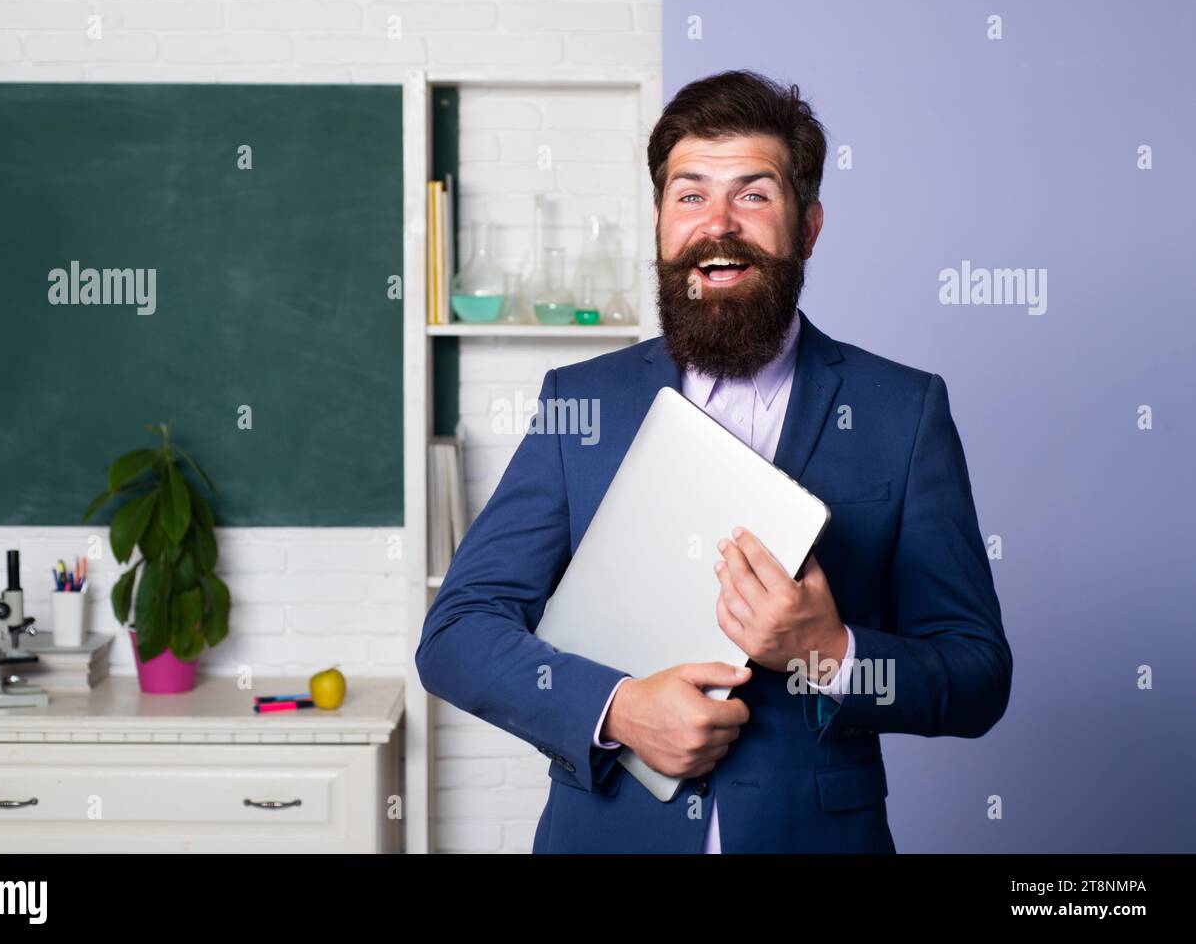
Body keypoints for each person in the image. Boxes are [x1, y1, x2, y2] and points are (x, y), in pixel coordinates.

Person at [415, 69, 1013, 853]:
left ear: (809, 226)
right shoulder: (579, 402)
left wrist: (830, 654)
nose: (717, 224)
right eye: (689, 194)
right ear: (661, 219)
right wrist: (617, 709)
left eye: (754, 194)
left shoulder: (904, 411)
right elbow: (456, 631)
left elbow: (975, 677)